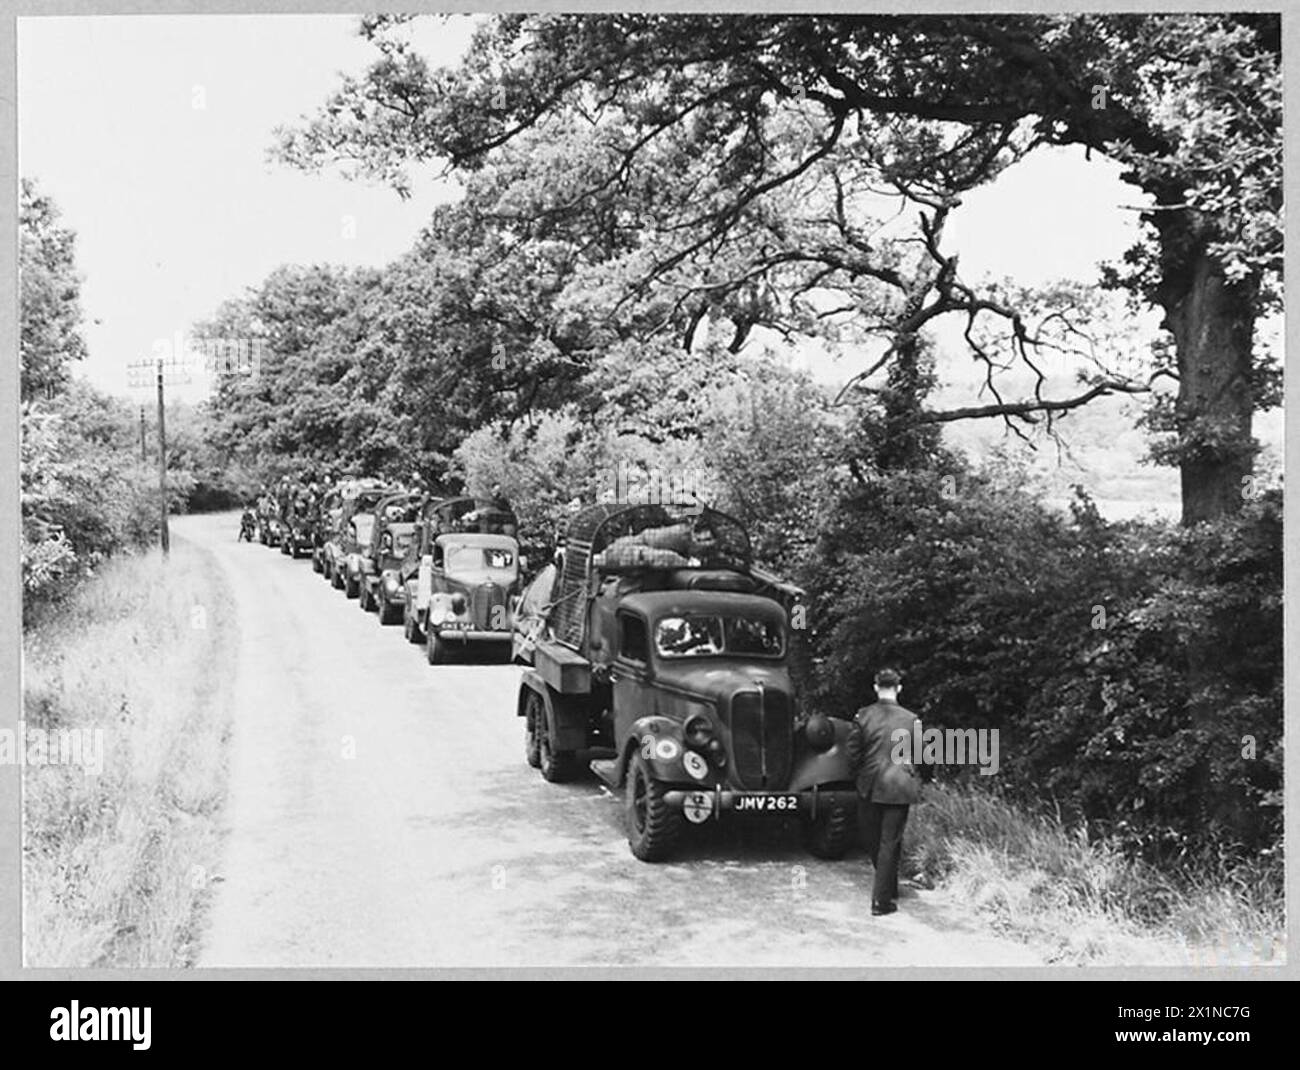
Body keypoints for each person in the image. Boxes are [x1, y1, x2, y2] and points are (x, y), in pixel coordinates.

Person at [854, 667, 923, 916]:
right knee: (889, 843)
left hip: (870, 786)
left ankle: (881, 900)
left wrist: (859, 776)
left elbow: (854, 753)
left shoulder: (863, 716)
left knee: (874, 841)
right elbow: (920, 755)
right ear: (899, 688)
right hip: (899, 786)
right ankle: (887, 890)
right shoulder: (911, 719)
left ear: (875, 687)